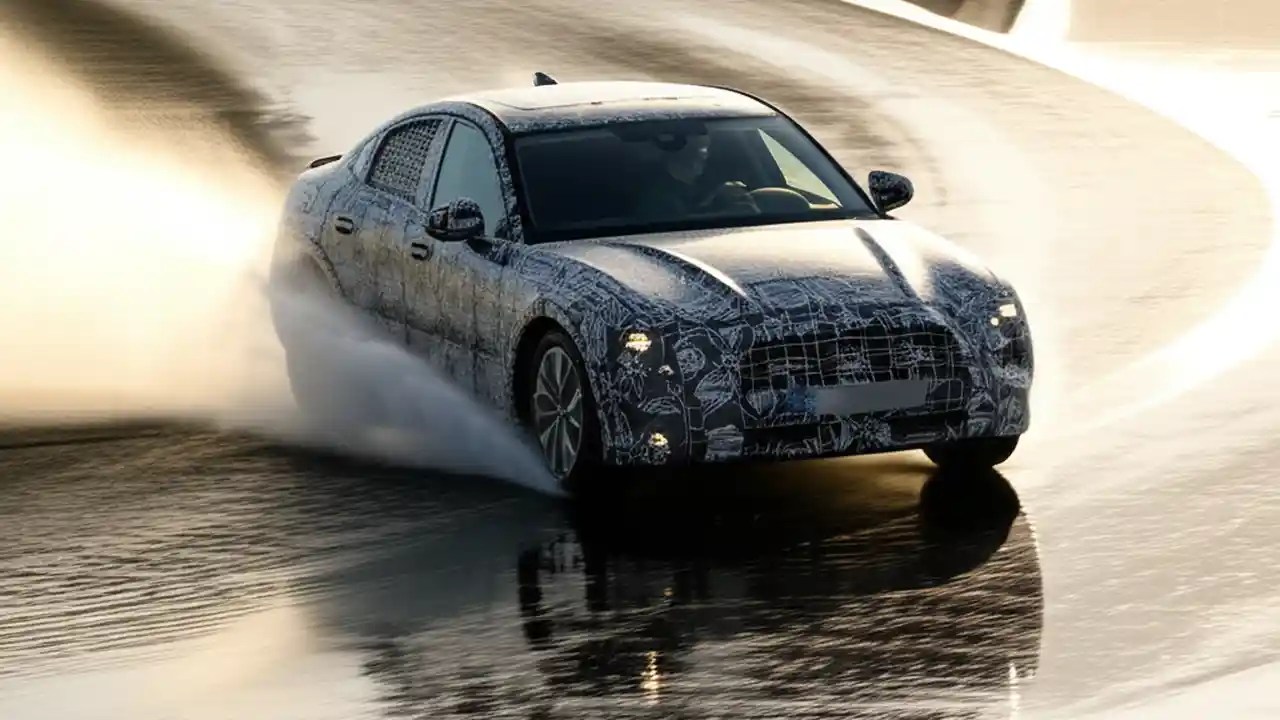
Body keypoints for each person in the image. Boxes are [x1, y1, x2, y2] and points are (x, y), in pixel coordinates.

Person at [632, 129, 758, 222]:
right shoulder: (657, 195)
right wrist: (718, 207)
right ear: (676, 150)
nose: (705, 155)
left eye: (706, 148)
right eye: (701, 148)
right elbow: (674, 227)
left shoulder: (707, 184)